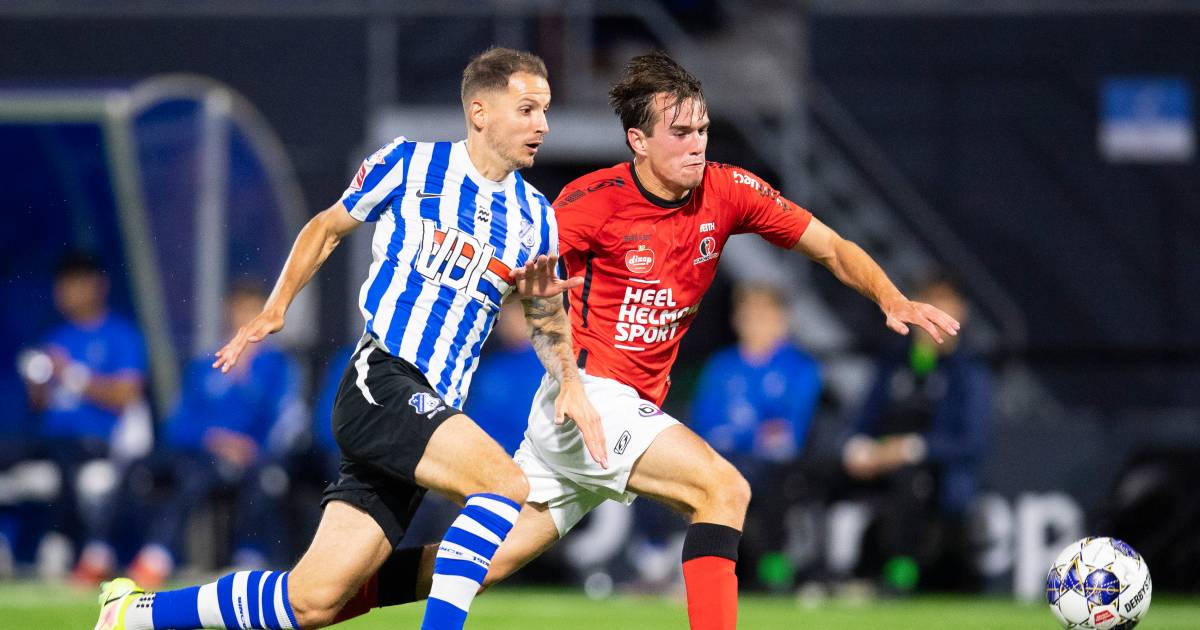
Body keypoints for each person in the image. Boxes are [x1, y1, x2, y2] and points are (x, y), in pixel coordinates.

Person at [329, 50, 961, 630]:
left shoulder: (730, 191)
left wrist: (890, 296)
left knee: (481, 563)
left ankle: (320, 602)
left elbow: (828, 245)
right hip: (587, 400)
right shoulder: (589, 203)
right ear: (639, 141)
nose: (696, 146)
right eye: (679, 133)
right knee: (722, 489)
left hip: (619, 411)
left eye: (703, 130)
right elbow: (527, 280)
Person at [95, 47, 604, 630]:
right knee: (504, 485)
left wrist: (568, 378)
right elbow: (327, 227)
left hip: (430, 414)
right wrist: (275, 310)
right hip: (382, 380)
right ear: (480, 110)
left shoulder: (536, 216)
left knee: (311, 602)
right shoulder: (411, 164)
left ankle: (135, 615)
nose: (542, 124)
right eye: (528, 108)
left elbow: (544, 313)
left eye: (545, 111)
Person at [124, 283, 305, 589]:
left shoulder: (278, 367)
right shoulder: (206, 364)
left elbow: (287, 422)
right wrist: (215, 439)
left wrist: (251, 446)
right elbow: (177, 424)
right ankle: (149, 555)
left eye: (253, 311)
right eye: (239, 310)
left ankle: (248, 560)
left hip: (256, 458)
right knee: (170, 472)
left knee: (264, 477)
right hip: (202, 454)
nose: (245, 319)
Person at [839, 277, 992, 591]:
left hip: (935, 472)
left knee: (912, 480)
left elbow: (971, 442)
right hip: (879, 463)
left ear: (960, 313)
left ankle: (899, 576)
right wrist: (858, 448)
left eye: (945, 305)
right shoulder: (894, 361)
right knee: (809, 474)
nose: (935, 313)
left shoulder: (970, 373)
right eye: (929, 303)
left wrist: (910, 449)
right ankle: (803, 573)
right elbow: (863, 417)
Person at [20, 252, 148, 584]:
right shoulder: (55, 338)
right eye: (62, 285)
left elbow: (126, 396)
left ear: (97, 285)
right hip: (50, 438)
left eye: (76, 284)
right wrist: (37, 386)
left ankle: (58, 542)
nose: (67, 293)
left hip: (96, 440)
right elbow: (40, 408)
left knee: (67, 456)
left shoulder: (121, 335)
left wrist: (73, 375)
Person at [690, 282, 822, 590]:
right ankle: (672, 562)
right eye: (748, 314)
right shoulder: (721, 366)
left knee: (769, 477)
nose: (755, 322)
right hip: (726, 457)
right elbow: (702, 422)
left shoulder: (800, 367)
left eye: (764, 314)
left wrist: (737, 434)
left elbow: (789, 432)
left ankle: (774, 566)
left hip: (775, 464)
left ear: (782, 319)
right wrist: (749, 433)